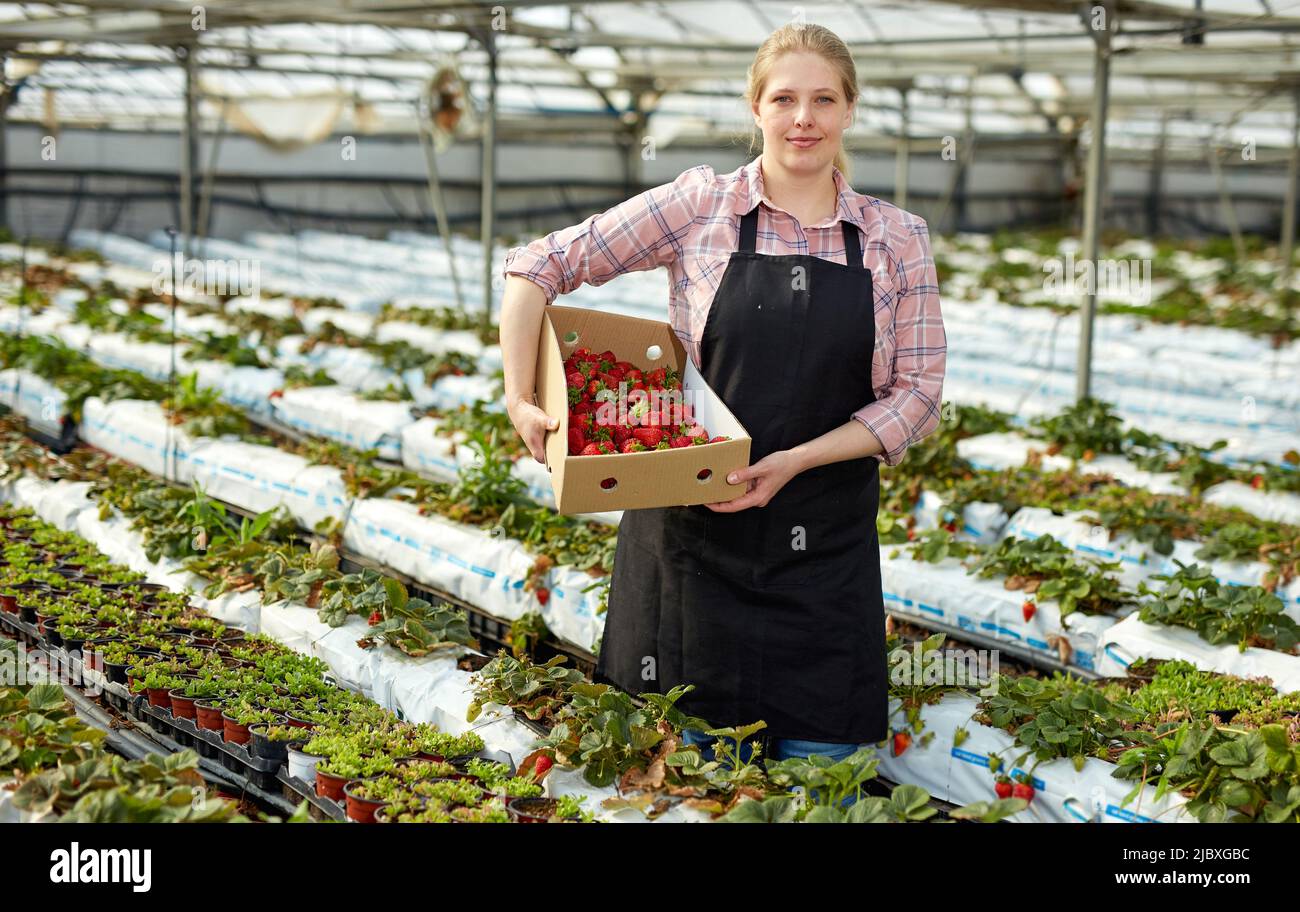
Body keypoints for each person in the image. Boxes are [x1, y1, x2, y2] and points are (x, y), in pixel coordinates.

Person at [499, 23, 947, 774]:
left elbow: (918, 396)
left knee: (823, 781)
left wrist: (794, 461)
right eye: (785, 98)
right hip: (692, 545)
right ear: (757, 107)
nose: (803, 118)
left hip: (822, 549)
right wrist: (521, 395)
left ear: (848, 110)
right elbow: (537, 266)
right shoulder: (700, 205)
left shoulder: (894, 238)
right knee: (692, 781)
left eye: (823, 99)